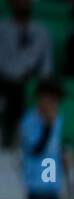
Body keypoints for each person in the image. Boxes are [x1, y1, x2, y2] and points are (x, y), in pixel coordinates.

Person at [0, 0, 52, 149]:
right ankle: (9, 138)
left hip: (31, 80)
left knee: (41, 90)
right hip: (6, 78)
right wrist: (15, 74)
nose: (22, 3)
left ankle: (33, 139)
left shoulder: (41, 30)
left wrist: (40, 81)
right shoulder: (2, 28)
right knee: (13, 89)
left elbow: (47, 65)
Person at [20, 79, 63, 199]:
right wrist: (48, 126)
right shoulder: (29, 121)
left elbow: (54, 149)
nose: (52, 104)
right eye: (49, 99)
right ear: (40, 98)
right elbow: (37, 149)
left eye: (55, 101)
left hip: (52, 184)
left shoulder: (58, 121)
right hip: (36, 185)